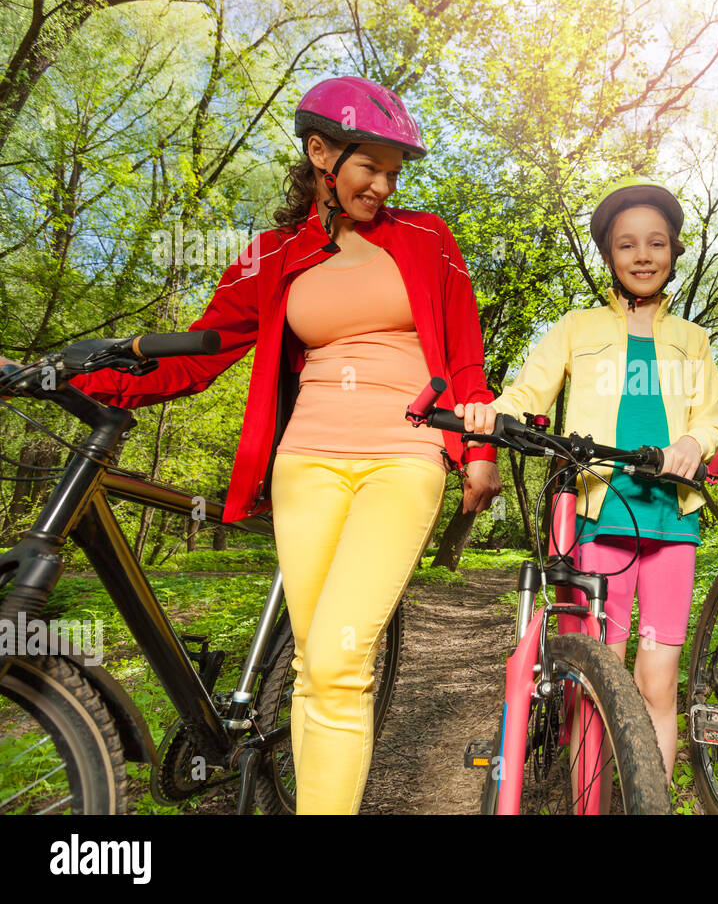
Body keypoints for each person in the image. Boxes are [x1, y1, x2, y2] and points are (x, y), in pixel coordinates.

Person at [64, 76, 502, 814]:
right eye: (371, 166)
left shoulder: (426, 238)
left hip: (405, 455)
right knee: (313, 667)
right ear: (320, 153)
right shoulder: (272, 255)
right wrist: (81, 377)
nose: (386, 184)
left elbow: (463, 354)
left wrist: (478, 449)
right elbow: (197, 354)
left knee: (337, 659)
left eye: (396, 171)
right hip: (306, 467)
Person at [457, 178, 718, 785]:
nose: (642, 255)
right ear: (609, 255)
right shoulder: (576, 327)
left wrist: (691, 442)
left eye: (656, 243)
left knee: (657, 682)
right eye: (627, 244)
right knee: (592, 681)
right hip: (598, 518)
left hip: (671, 523)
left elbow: (709, 420)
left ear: (674, 252)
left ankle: (647, 801)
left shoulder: (693, 340)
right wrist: (492, 416)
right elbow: (528, 395)